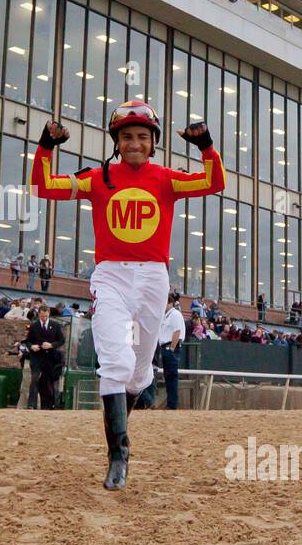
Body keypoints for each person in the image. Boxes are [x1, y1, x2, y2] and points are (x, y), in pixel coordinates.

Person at [31, 99, 226, 490]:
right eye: (126, 137)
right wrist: (46, 146)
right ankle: (118, 456)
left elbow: (214, 182)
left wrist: (205, 145)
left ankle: (121, 419)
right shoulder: (98, 177)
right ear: (116, 143)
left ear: (153, 143)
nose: (134, 143)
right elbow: (44, 187)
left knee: (139, 371)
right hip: (110, 277)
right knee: (115, 362)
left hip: (153, 279)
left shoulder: (167, 178)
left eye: (141, 137)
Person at [24, 304, 65, 410]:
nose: (44, 318)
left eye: (46, 316)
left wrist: (51, 345)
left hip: (50, 357)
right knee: (34, 379)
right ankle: (31, 405)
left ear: (49, 314)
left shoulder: (55, 325)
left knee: (47, 382)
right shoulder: (34, 325)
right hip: (37, 357)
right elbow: (27, 341)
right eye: (42, 316)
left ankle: (48, 405)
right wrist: (31, 346)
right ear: (39, 315)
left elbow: (61, 340)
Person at [157, 296, 186, 409]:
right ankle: (170, 403)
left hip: (170, 347)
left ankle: (172, 404)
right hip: (166, 347)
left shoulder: (175, 315)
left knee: (171, 376)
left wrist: (172, 348)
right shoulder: (167, 316)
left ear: (170, 303)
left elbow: (177, 331)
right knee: (168, 376)